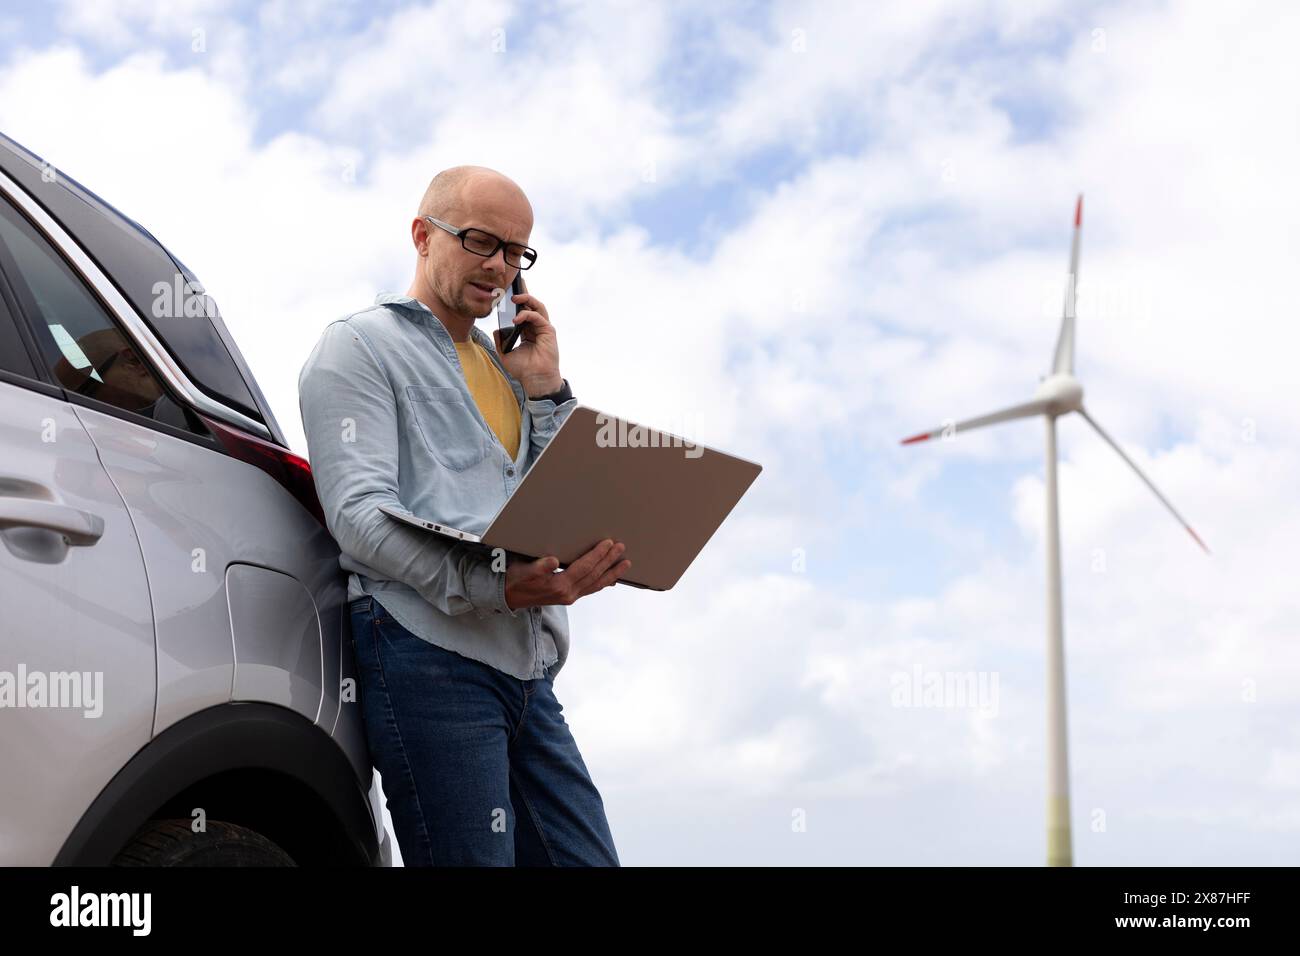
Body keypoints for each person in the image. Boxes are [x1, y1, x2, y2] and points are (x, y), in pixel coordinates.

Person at [298, 165, 630, 866]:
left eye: (517, 254)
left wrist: (546, 389)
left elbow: (550, 499)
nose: (500, 268)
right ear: (423, 235)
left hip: (528, 665)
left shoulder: (508, 366)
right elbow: (357, 516)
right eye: (482, 243)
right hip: (427, 654)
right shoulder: (357, 348)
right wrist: (496, 586)